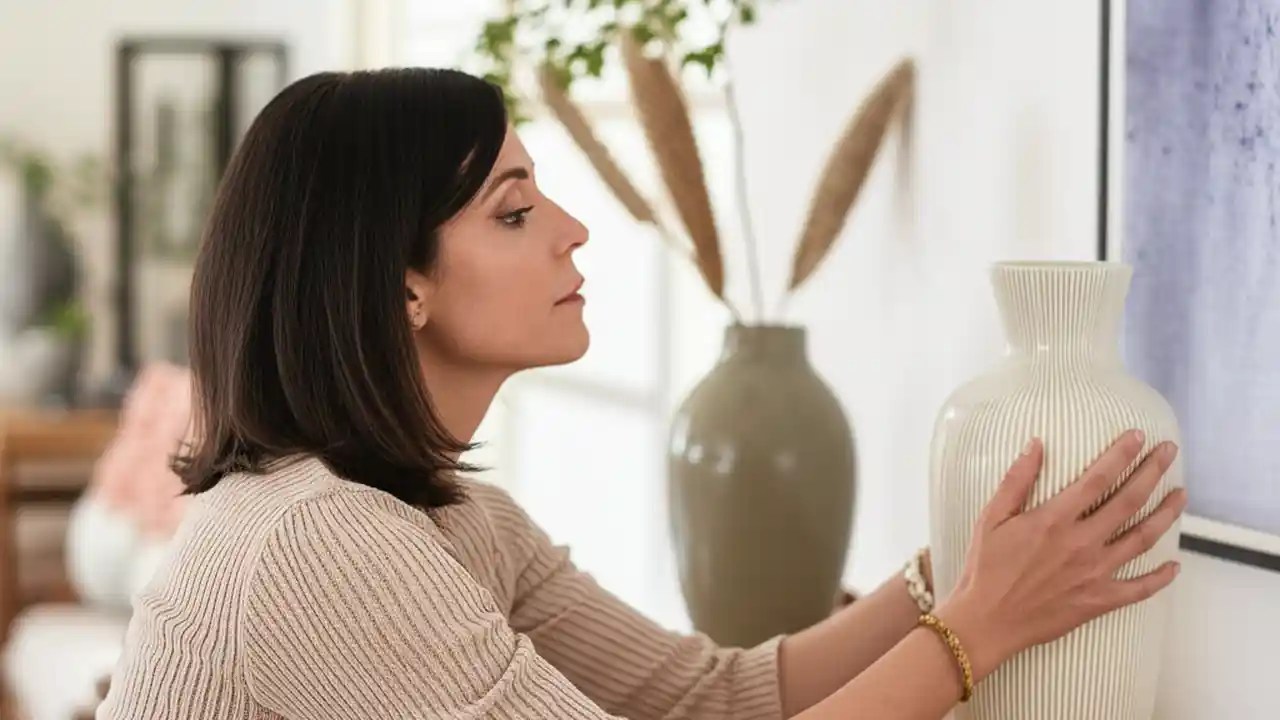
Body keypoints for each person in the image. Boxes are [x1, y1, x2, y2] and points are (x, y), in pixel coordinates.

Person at [98, 68, 1186, 720]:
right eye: (512, 213)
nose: (571, 229)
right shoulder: (316, 541)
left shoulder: (450, 516)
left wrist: (947, 572)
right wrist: (976, 630)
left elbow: (714, 699)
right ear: (401, 287)